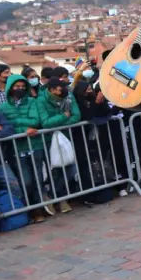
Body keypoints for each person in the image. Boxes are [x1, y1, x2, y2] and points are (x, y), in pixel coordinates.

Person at [0, 74, 50, 222]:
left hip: (35, 146)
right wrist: (23, 130)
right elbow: (5, 127)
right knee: (26, 181)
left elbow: (35, 121)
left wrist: (15, 122)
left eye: (23, 86)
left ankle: (39, 210)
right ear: (10, 88)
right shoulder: (3, 107)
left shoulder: (33, 102)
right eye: (17, 86)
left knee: (38, 179)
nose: (20, 89)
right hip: (17, 149)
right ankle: (30, 208)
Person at [35, 78, 82, 213]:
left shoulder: (68, 96)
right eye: (60, 89)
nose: (64, 91)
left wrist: (61, 125)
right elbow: (45, 122)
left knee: (70, 169)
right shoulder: (41, 100)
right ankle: (56, 198)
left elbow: (76, 115)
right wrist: (64, 116)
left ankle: (56, 197)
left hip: (65, 137)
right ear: (52, 90)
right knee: (56, 170)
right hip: (50, 140)